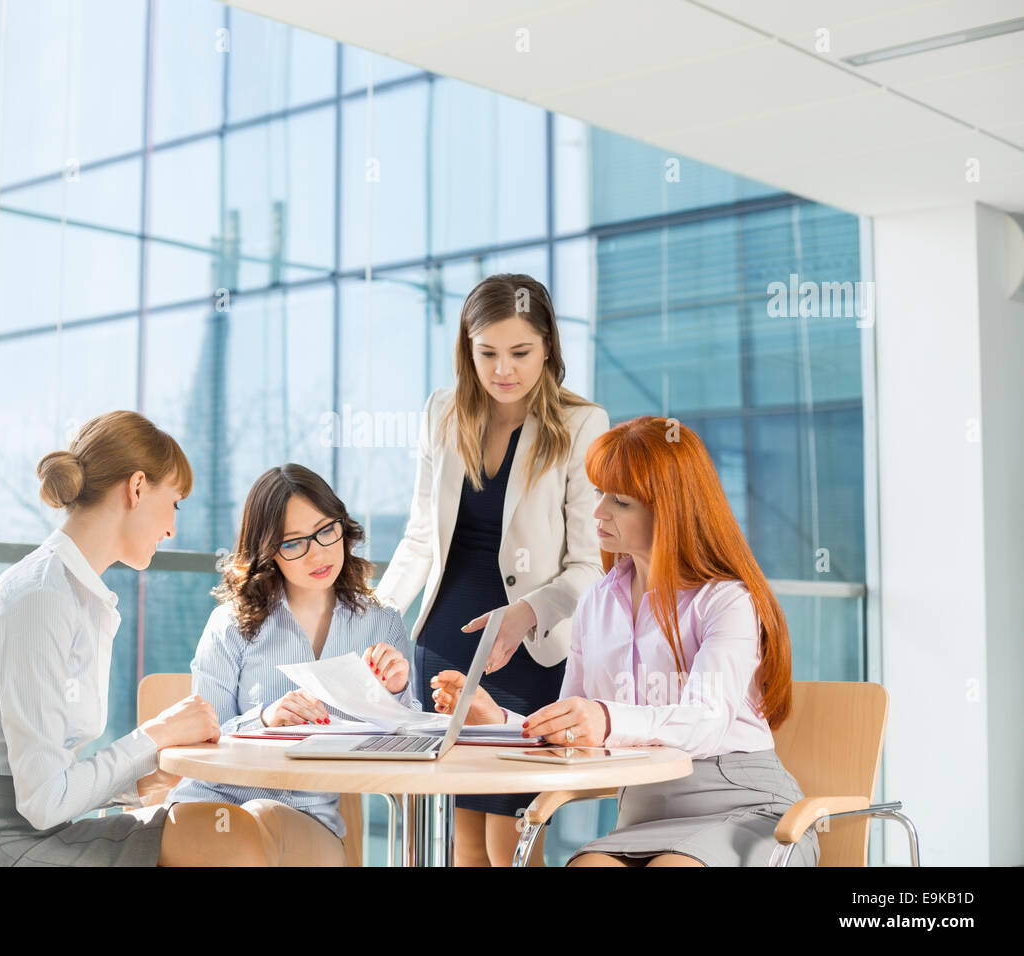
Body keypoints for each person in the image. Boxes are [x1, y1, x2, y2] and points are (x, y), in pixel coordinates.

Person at [432, 415, 821, 867]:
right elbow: (576, 729)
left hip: (744, 807)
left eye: (620, 501)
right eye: (599, 493)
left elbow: (707, 721)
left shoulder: (725, 601)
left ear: (669, 508)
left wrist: (603, 717)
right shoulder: (597, 600)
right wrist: (495, 719)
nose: (598, 512)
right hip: (643, 816)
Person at [0, 410, 273, 866]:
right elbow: (43, 800)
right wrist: (153, 737)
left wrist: (142, 774)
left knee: (229, 833)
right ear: (137, 487)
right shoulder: (40, 597)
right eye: (174, 503)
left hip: (38, 833)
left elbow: (50, 788)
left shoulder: (78, 597)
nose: (172, 528)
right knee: (229, 846)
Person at [375, 273, 610, 866]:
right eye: (488, 353)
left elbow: (588, 567)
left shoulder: (582, 424)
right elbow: (421, 537)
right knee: (460, 841)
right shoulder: (442, 412)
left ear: (549, 347)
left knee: (515, 837)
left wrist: (525, 612)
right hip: (446, 639)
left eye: (521, 353)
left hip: (529, 650)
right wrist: (373, 621)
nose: (504, 370)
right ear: (467, 348)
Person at [165, 463, 418, 865]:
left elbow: (410, 743)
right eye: (294, 542)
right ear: (268, 551)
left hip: (307, 818)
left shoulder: (380, 622)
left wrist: (395, 693)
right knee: (238, 833)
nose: (317, 552)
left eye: (325, 531)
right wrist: (264, 719)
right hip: (215, 802)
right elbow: (200, 739)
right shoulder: (231, 624)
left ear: (343, 527)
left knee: (260, 823)